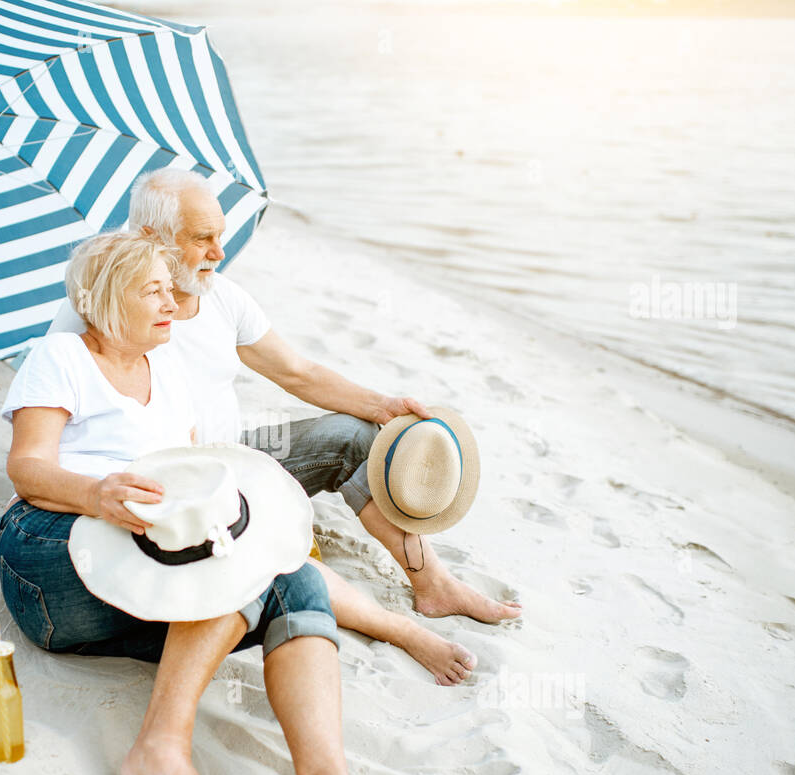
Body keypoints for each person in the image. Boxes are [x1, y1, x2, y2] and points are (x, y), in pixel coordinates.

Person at [0, 230, 420, 775]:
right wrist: (96, 493)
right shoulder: (61, 358)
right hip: (49, 553)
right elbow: (26, 470)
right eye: (153, 292)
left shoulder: (166, 367)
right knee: (220, 561)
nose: (173, 303)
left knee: (288, 578)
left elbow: (192, 465)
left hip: (143, 559)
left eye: (171, 289)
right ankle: (160, 750)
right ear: (109, 299)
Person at [46, 168, 523, 633]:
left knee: (354, 436)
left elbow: (297, 372)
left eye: (221, 235)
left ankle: (434, 585)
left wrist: (380, 406)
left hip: (240, 458)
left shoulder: (224, 298)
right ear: (152, 236)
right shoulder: (97, 309)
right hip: (171, 489)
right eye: (201, 239)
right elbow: (55, 409)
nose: (219, 251)